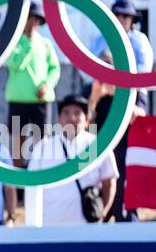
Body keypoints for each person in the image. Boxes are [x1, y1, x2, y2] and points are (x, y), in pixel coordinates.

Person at [88, 0, 152, 222]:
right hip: (103, 100)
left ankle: (125, 211)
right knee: (100, 156)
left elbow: (142, 74)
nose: (120, 19)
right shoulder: (99, 40)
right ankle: (99, 210)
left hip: (131, 99)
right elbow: (88, 73)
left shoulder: (139, 41)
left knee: (127, 158)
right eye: (116, 14)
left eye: (125, 16)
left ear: (132, 20)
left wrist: (112, 68)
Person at [26, 92, 117, 226]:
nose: (71, 117)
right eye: (66, 112)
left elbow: (109, 182)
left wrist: (101, 215)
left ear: (87, 120)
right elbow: (31, 184)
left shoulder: (98, 146)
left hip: (87, 228)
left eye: (77, 113)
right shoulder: (43, 147)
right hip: (49, 228)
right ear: (59, 118)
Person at [5, 0, 60, 166]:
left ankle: (39, 170)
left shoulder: (45, 44)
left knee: (41, 140)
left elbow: (54, 69)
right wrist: (28, 43)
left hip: (41, 100)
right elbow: (15, 64)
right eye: (28, 17)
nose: (31, 22)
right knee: (17, 141)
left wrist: (47, 85)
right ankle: (18, 180)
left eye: (34, 18)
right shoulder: (13, 42)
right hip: (18, 99)